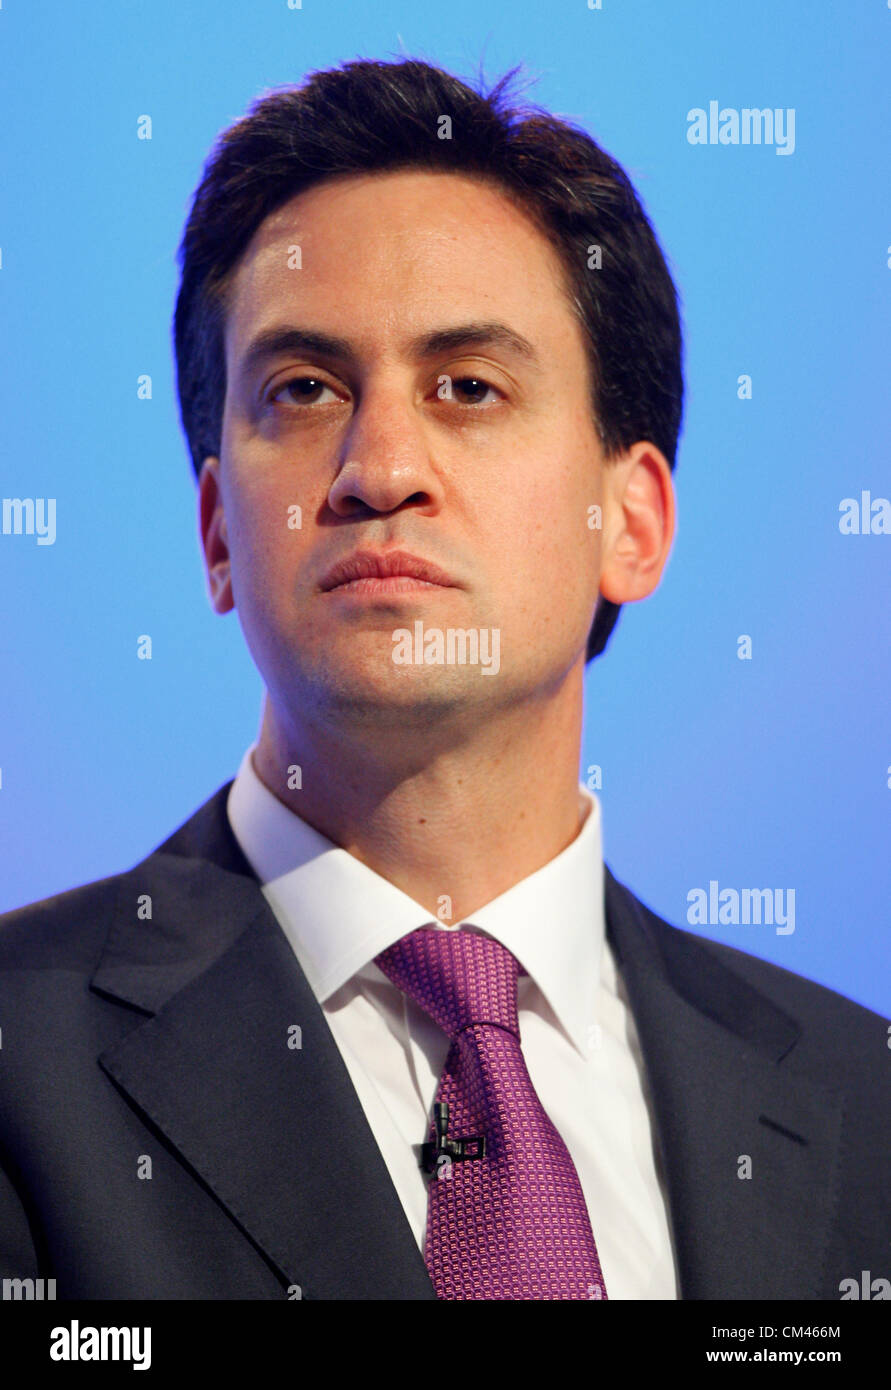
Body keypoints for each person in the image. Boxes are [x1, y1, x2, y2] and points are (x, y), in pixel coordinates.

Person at [0, 57, 887, 1303]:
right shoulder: (19, 1060)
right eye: (303, 391)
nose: (379, 466)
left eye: (468, 386)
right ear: (214, 531)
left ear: (630, 522)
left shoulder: (866, 1104)